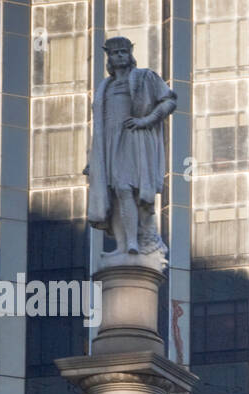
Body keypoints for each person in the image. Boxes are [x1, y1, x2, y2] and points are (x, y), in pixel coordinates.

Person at [84, 37, 176, 256]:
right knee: (114, 192)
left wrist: (147, 120)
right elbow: (99, 127)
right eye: (115, 53)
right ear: (109, 58)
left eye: (123, 52)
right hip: (110, 144)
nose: (119, 56)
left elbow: (169, 101)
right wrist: (93, 160)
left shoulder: (146, 77)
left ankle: (136, 242)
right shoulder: (105, 87)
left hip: (135, 140)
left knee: (129, 189)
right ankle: (124, 246)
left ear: (130, 54)